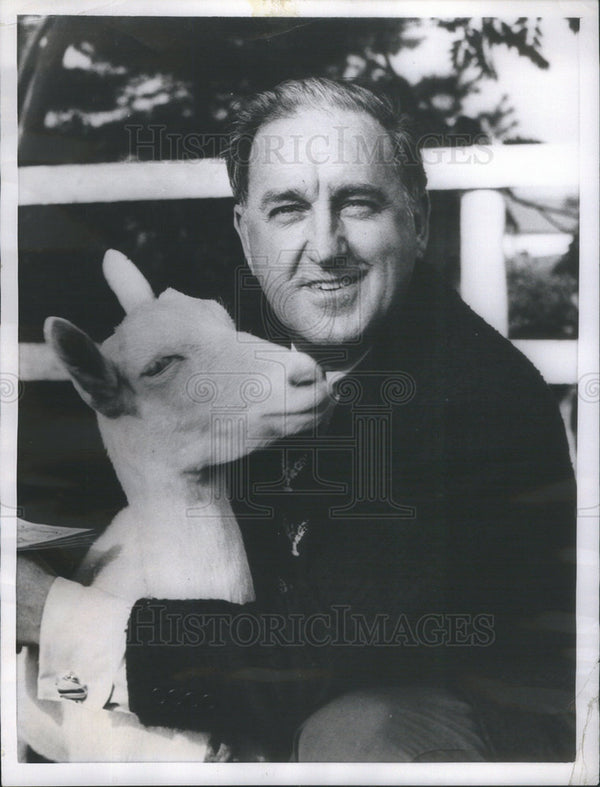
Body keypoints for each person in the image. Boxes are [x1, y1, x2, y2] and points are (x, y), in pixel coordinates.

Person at [18, 77, 576, 762]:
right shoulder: (231, 340)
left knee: (356, 735)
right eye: (287, 209)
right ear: (246, 233)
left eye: (359, 202)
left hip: (453, 714)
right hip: (281, 677)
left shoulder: (472, 401)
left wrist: (51, 613)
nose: (325, 245)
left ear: (419, 220)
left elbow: (300, 662)